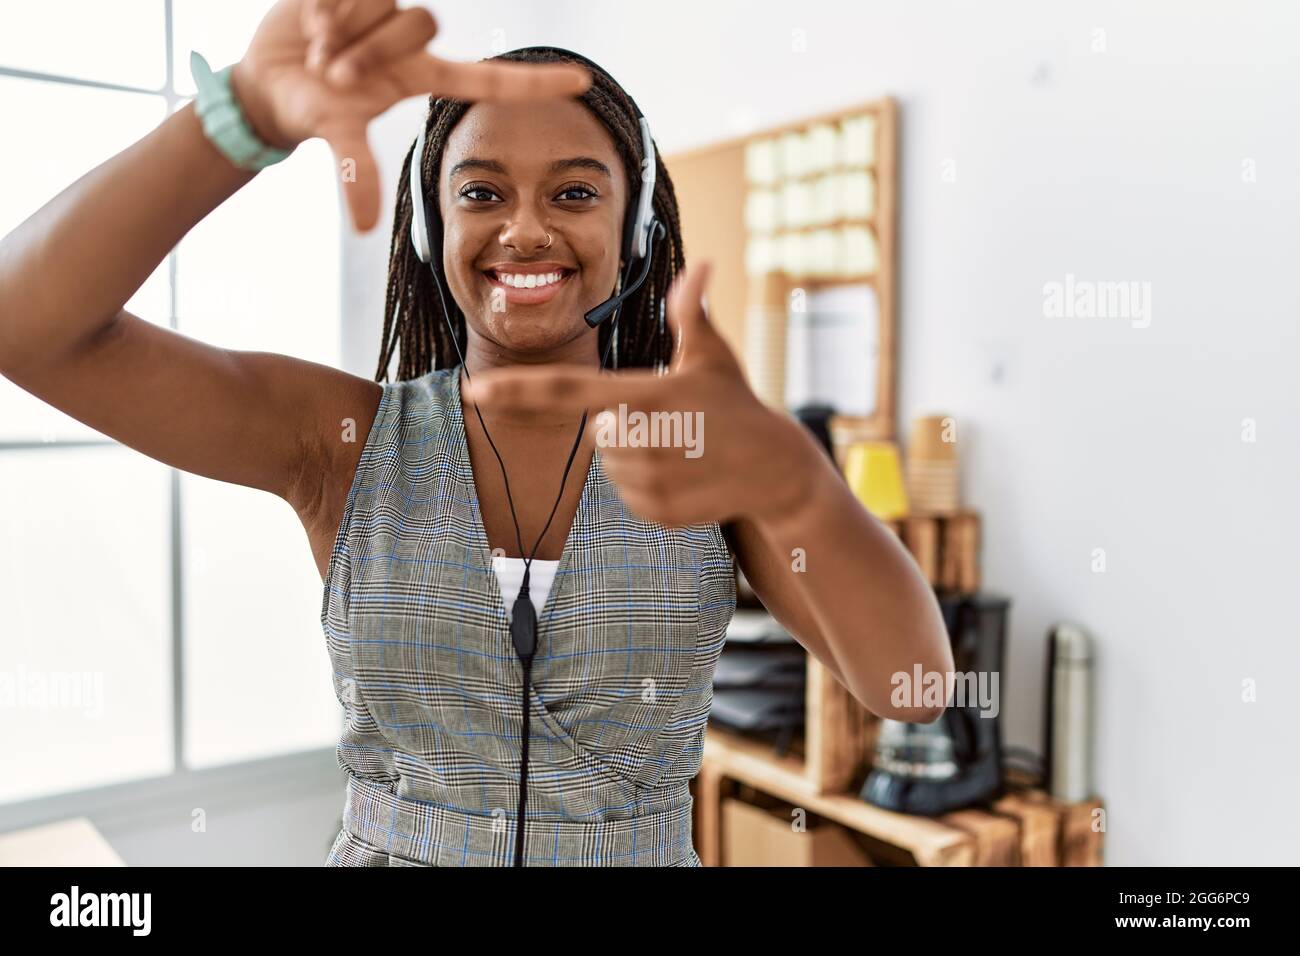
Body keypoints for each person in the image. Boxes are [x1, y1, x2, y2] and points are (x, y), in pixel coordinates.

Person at [0, 0, 953, 866]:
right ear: (427, 225)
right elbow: (26, 328)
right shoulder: (338, 441)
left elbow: (912, 688)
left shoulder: (700, 450)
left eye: (575, 193)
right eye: (481, 192)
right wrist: (241, 114)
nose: (526, 230)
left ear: (634, 225)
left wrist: (800, 486)